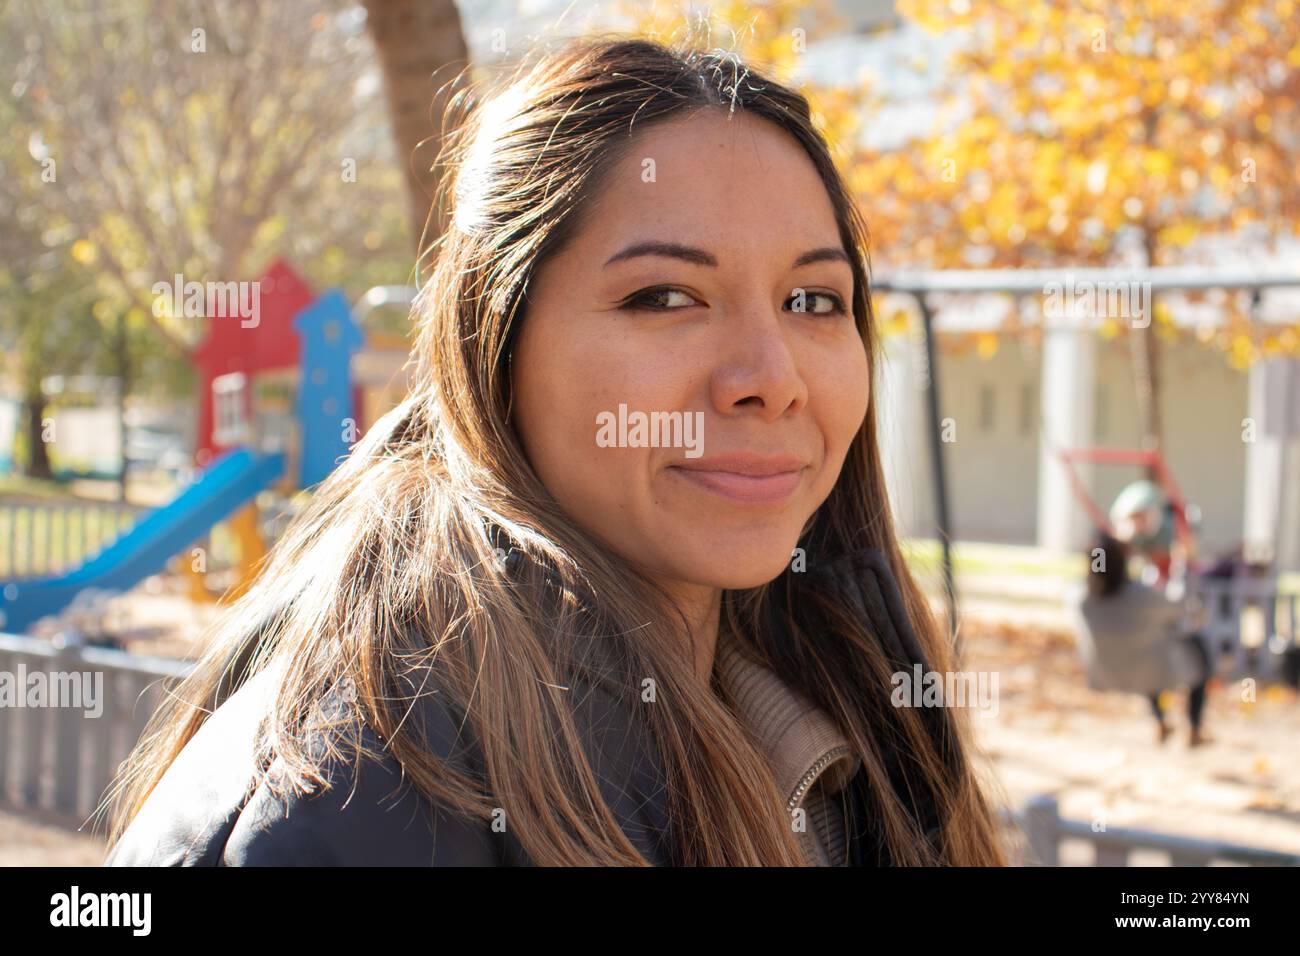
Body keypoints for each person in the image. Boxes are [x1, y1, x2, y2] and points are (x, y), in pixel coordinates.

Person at [101, 36, 1007, 866]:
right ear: (494, 341)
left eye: (813, 301)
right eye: (665, 297)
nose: (771, 377)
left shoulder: (867, 730)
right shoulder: (344, 798)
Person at [1071, 531, 1212, 747]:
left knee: (1147, 652)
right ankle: (1194, 726)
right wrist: (1182, 565)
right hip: (1148, 665)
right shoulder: (1140, 596)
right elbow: (1182, 606)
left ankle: (1160, 720)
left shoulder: (1080, 598)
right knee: (1195, 649)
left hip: (1109, 670)